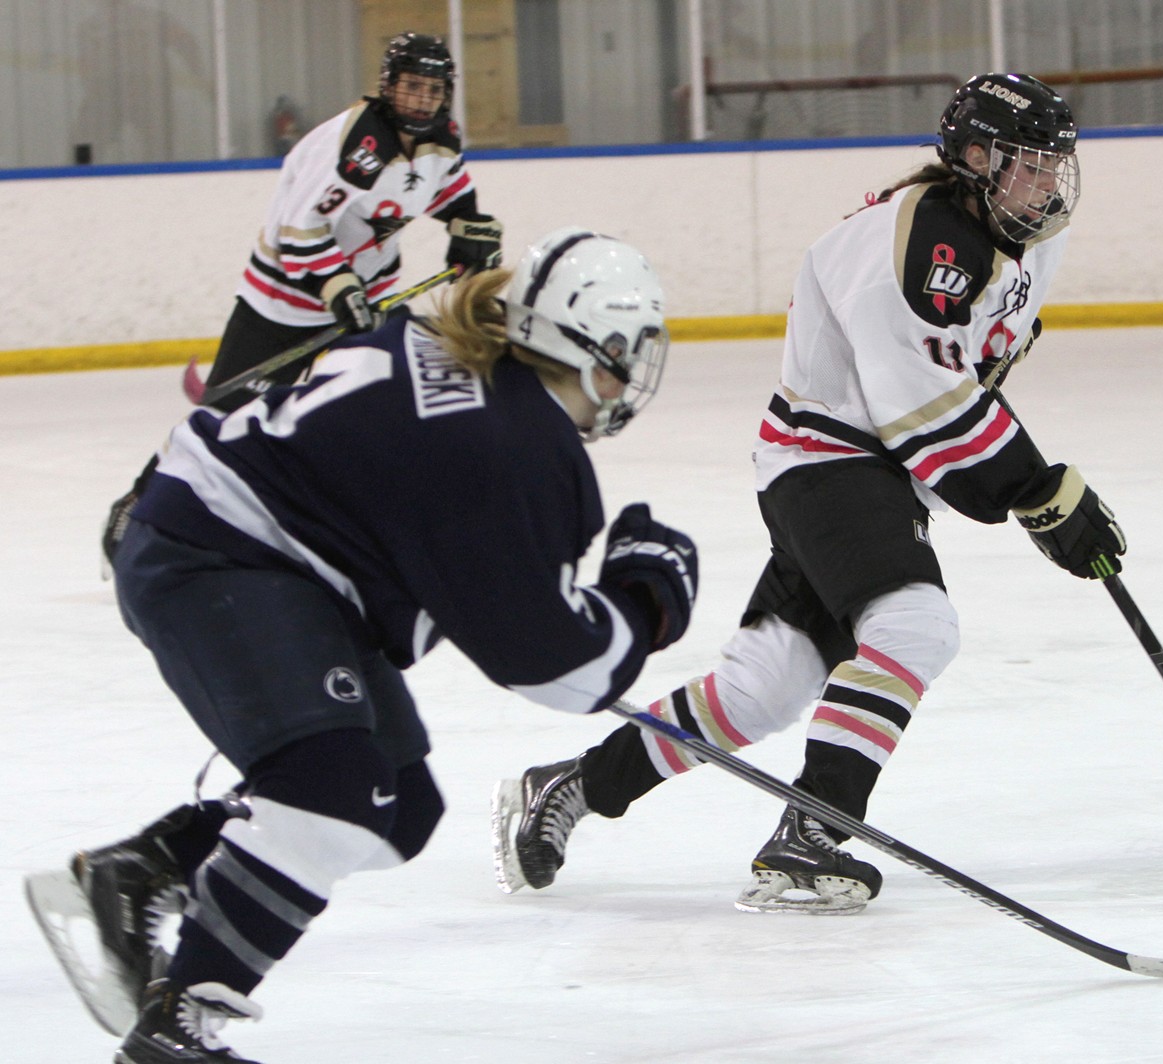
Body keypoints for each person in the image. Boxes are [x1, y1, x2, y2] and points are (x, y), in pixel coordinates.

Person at [25, 229, 695, 1062]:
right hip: (222, 557)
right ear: (597, 350)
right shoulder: (512, 442)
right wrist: (649, 593)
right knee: (332, 792)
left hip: (239, 546)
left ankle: (144, 871)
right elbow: (559, 669)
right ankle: (179, 1026)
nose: (630, 380)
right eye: (628, 357)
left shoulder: (447, 345)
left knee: (398, 808)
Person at [491, 73, 1126, 916]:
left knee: (763, 688)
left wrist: (1039, 492)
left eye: (1056, 167)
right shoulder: (912, 241)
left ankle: (566, 785)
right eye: (1030, 165)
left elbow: (961, 378)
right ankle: (815, 828)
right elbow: (919, 398)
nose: (1048, 185)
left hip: (875, 473)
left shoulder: (1021, 235)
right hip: (827, 460)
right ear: (976, 158)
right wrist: (1033, 487)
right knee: (914, 626)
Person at [100, 31, 504, 565]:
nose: (422, 100)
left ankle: (385, 525)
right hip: (282, 300)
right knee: (224, 417)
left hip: (372, 294)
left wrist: (467, 225)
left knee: (391, 402)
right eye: (412, 87)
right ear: (388, 88)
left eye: (433, 89)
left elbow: (445, 190)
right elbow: (300, 229)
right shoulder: (355, 148)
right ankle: (139, 504)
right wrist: (337, 287)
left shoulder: (441, 139)